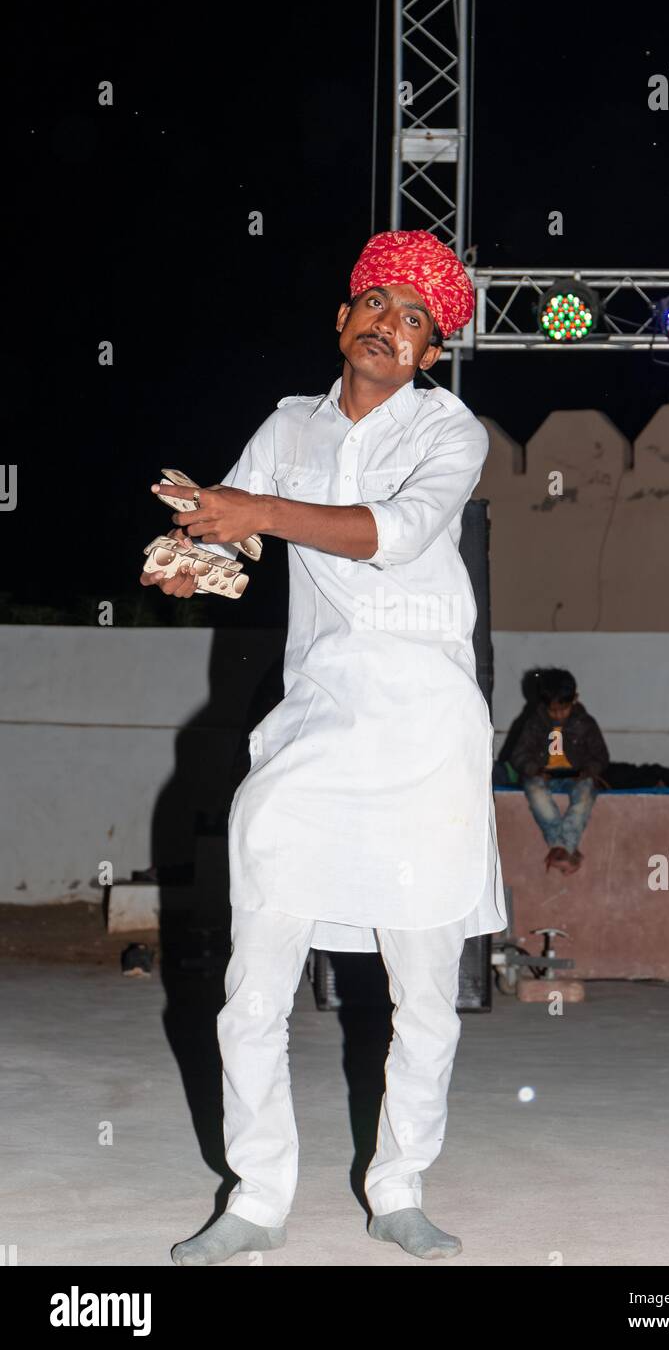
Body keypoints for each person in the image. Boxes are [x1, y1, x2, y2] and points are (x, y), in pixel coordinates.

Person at [140, 228, 506, 1265]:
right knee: (253, 980)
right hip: (313, 723)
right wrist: (187, 555)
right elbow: (232, 541)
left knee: (424, 989)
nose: (394, 326)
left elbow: (385, 534)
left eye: (419, 321)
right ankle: (255, 1198)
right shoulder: (288, 424)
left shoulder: (453, 431)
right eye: (380, 304)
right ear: (342, 319)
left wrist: (247, 511)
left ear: (433, 353)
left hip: (428, 723)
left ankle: (399, 1186)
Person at [508, 667, 609, 875]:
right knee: (535, 792)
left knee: (586, 793)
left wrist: (587, 770)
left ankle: (561, 847)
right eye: (552, 711)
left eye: (563, 709)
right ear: (543, 705)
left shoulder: (586, 723)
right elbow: (518, 755)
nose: (558, 715)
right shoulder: (534, 723)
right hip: (542, 776)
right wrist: (534, 769)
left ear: (575, 699)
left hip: (576, 776)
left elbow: (601, 757)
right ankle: (566, 849)